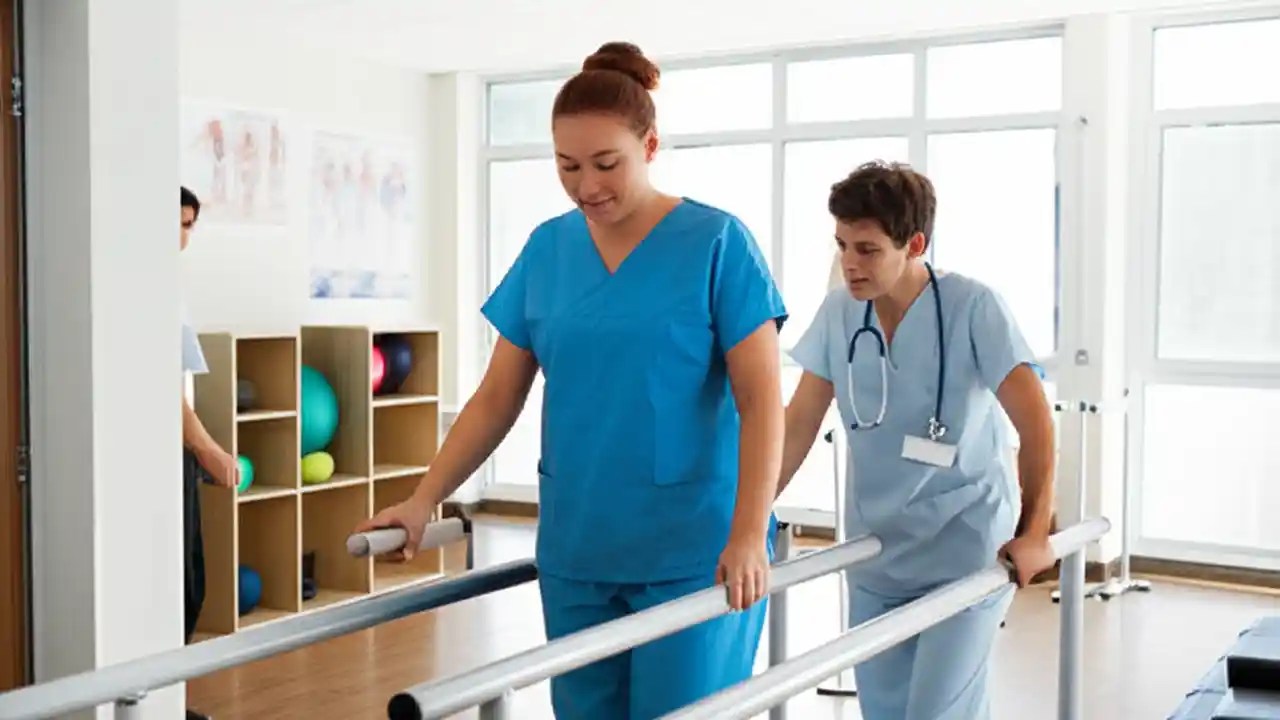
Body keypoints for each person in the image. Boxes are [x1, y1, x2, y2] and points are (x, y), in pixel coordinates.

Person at [355, 42, 787, 719]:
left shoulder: (717, 243)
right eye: (568, 166)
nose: (588, 186)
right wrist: (424, 499)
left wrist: (749, 532)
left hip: (695, 550)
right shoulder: (547, 249)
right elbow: (497, 397)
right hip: (581, 544)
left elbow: (762, 402)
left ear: (650, 144)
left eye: (606, 164)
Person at [775, 161, 1057, 720]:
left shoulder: (974, 308)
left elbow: (1035, 423)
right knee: (884, 713)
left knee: (935, 713)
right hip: (878, 554)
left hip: (966, 550)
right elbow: (798, 424)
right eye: (841, 246)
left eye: (867, 249)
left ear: (916, 243)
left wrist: (1034, 532)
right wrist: (746, 516)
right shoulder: (840, 313)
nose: (849, 264)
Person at [178, 186, 238, 720]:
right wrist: (207, 448)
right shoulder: (142, 284)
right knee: (182, 585)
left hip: (178, 453)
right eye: (176, 223)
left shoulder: (168, 283)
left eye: (189, 224)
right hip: (173, 452)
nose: (182, 235)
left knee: (191, 584)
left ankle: (169, 702)